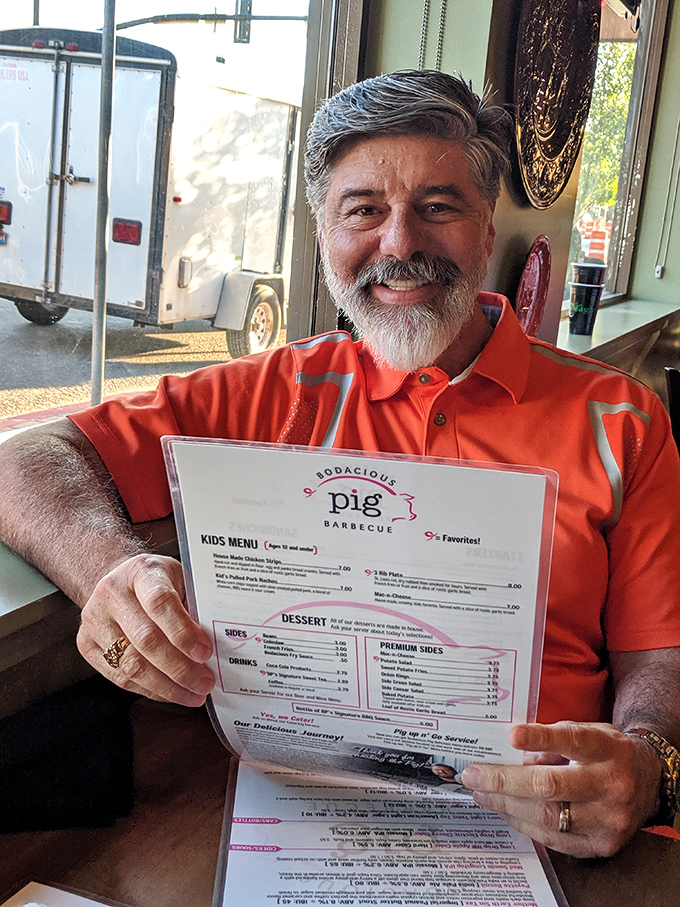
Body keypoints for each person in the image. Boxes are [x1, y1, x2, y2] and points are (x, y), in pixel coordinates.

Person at [2, 70, 680, 860]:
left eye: (438, 205)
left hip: (548, 835)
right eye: (363, 210)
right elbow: (29, 459)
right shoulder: (276, 391)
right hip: (285, 815)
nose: (399, 243)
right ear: (323, 235)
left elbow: (658, 655)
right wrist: (111, 571)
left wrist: (646, 760)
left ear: (486, 228)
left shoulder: (623, 421)